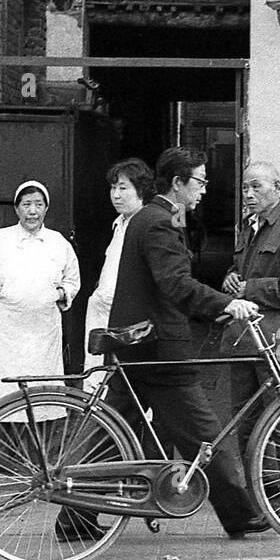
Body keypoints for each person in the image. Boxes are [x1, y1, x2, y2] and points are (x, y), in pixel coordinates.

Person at [58, 147, 270, 541]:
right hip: (159, 350)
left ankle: (75, 516)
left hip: (137, 345)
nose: (204, 189)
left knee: (111, 431)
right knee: (206, 434)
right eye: (200, 181)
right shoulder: (158, 223)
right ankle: (241, 515)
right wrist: (228, 303)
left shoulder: (147, 218)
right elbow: (175, 284)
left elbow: (169, 284)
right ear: (178, 182)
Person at [222, 162, 280, 500]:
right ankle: (256, 490)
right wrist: (231, 277)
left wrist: (248, 289)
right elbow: (241, 272)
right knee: (246, 418)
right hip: (245, 338)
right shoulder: (249, 228)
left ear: (277, 187)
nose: (248, 194)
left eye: (257, 187)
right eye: (245, 188)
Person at [0, 179, 80, 417]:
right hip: (4, 332)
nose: (32, 211)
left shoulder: (58, 242)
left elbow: (72, 281)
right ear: (16, 208)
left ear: (46, 208)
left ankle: (39, 441)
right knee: (2, 391)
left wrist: (57, 293)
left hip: (43, 332)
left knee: (41, 392)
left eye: (38, 204)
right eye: (26, 204)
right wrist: (2, 291)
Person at [83, 158, 154, 393]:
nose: (116, 195)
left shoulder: (146, 226)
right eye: (113, 188)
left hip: (126, 320)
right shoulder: (119, 224)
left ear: (140, 190)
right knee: (98, 381)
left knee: (122, 386)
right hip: (103, 314)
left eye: (123, 188)